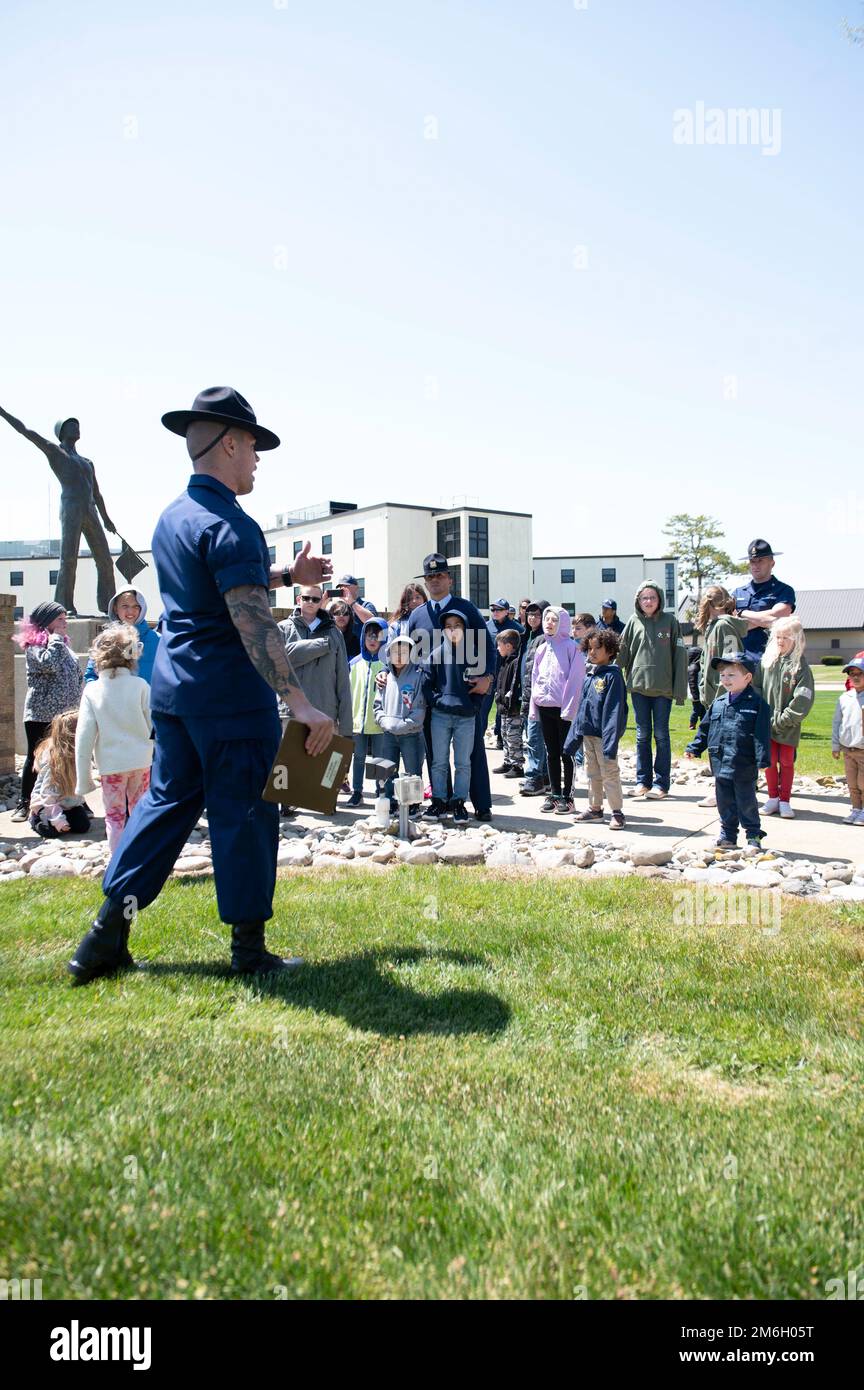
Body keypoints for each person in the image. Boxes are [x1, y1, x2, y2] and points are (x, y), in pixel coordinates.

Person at [68, 387, 335, 985]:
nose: (258, 459)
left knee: (165, 808)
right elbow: (252, 622)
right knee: (245, 815)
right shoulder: (236, 525)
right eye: (254, 448)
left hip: (175, 696)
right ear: (231, 443)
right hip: (233, 701)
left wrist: (287, 574)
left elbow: (214, 583)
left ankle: (103, 937)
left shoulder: (173, 517)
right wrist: (301, 702)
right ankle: (248, 952)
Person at [0, 404, 117, 613]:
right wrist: (3, 412)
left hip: (91, 510)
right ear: (62, 431)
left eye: (77, 424)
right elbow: (25, 430)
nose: (76, 427)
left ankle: (108, 604)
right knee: (69, 558)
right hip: (71, 507)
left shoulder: (87, 462)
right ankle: (64, 605)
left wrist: (107, 519)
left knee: (105, 559)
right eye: (71, 425)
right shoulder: (55, 452)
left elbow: (97, 493)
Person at [407, 554, 495, 821]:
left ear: (450, 579)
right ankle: (441, 801)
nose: (435, 581)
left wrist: (488, 678)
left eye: (440, 576)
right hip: (431, 697)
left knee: (471, 752)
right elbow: (410, 656)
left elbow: (488, 646)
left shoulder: (466, 609)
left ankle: (480, 803)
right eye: (430, 577)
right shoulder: (417, 616)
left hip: (466, 695)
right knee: (436, 753)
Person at [75, 624, 154, 857]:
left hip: (111, 766)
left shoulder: (93, 690)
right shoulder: (141, 686)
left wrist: (83, 780)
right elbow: (155, 726)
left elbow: (84, 736)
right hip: (142, 762)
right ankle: (142, 857)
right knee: (140, 810)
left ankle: (118, 862)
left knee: (115, 816)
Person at [685, 653, 771, 850]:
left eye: (731, 675)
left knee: (746, 800)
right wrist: (694, 747)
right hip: (720, 761)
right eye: (723, 675)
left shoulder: (757, 704)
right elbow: (705, 729)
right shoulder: (719, 703)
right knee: (724, 801)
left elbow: (762, 735)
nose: (725, 679)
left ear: (747, 678)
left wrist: (763, 760)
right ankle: (728, 834)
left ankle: (753, 835)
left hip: (744, 762)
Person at [12, 601, 84, 821]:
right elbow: (48, 664)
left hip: (65, 715)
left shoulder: (63, 644)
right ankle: (25, 803)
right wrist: (55, 640)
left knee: (68, 757)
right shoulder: (36, 646)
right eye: (60, 619)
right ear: (46, 622)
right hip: (41, 714)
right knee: (36, 758)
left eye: (65, 618)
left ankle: (71, 800)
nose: (65, 623)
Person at [618, 581, 687, 801]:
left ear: (660, 600)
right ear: (638, 601)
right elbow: (623, 651)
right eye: (644, 598)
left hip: (663, 689)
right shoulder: (632, 621)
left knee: (661, 735)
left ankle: (661, 784)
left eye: (652, 597)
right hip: (639, 687)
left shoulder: (670, 621)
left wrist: (678, 690)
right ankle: (642, 782)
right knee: (642, 735)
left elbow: (679, 656)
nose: (648, 601)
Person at [692, 585, 751, 809]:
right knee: (718, 745)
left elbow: (730, 664)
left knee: (722, 747)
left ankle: (724, 793)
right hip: (712, 696)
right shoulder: (713, 626)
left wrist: (721, 696)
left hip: (723, 697)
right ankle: (722, 790)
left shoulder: (725, 625)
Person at [566, 627, 628, 828]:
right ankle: (595, 809)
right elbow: (582, 707)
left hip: (604, 736)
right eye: (589, 648)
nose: (592, 652)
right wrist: (574, 734)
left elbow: (614, 711)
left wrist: (610, 741)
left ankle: (617, 811)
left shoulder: (613, 677)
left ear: (610, 651)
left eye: (597, 648)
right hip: (588, 734)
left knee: (609, 772)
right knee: (592, 773)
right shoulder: (589, 676)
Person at [421, 610, 479, 826]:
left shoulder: (474, 654)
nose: (453, 629)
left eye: (457, 624)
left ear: (464, 628)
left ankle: (459, 803)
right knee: (439, 761)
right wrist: (438, 701)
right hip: (440, 716)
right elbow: (427, 686)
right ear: (443, 630)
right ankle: (439, 801)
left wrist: (474, 706)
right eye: (448, 625)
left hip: (466, 717)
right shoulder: (435, 655)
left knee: (463, 763)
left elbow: (482, 686)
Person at [530, 606, 585, 815]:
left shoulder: (573, 648)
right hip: (545, 707)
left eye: (554, 620)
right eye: (547, 619)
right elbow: (535, 678)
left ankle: (568, 797)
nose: (549, 623)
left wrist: (569, 709)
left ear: (562, 623)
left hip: (564, 710)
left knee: (566, 752)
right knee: (551, 752)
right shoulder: (542, 649)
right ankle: (554, 793)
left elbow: (576, 680)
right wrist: (534, 708)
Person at [276, 586, 353, 736]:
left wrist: (346, 729)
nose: (310, 602)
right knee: (289, 761)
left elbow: (343, 681)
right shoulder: (282, 629)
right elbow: (278, 663)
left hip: (325, 715)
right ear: (298, 599)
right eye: (306, 598)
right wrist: (321, 645)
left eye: (315, 599)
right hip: (291, 715)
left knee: (322, 761)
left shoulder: (334, 633)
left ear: (321, 602)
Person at [759, 617, 815, 819]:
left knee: (786, 761)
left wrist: (783, 719)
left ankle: (785, 800)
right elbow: (757, 687)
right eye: (778, 637)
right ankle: (772, 797)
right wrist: (762, 714)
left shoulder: (800, 667)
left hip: (788, 725)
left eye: (786, 637)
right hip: (766, 723)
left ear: (797, 639)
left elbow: (803, 697)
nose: (781, 641)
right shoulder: (767, 662)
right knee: (770, 760)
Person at [373, 634, 426, 812]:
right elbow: (377, 705)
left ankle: (413, 804)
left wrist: (406, 724)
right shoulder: (385, 677)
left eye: (404, 652)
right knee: (387, 770)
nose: (399, 656)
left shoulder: (418, 677)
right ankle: (389, 801)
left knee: (413, 769)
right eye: (395, 651)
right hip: (388, 733)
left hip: (411, 733)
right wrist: (384, 722)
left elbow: (420, 708)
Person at [29, 709, 91, 838]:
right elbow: (47, 795)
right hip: (45, 804)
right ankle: (35, 818)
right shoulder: (54, 761)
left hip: (68, 804)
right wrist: (58, 820)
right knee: (52, 832)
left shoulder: (76, 755)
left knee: (83, 826)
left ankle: (62, 816)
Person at [732, 539, 796, 662]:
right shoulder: (738, 593)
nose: (756, 565)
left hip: (771, 659)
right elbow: (731, 625)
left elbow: (778, 620)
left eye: (760, 561)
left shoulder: (783, 590)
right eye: (752, 561)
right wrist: (766, 618)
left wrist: (742, 613)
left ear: (772, 563)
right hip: (740, 662)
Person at [347, 617, 388, 807]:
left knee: (379, 757)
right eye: (369, 635)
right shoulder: (354, 663)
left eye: (378, 636)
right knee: (359, 757)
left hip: (379, 722)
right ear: (363, 637)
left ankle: (381, 789)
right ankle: (357, 791)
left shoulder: (388, 666)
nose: (373, 640)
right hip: (357, 721)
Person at [84, 589, 160, 685]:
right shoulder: (105, 640)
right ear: (115, 608)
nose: (130, 611)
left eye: (136, 606)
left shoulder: (159, 640)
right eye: (125, 606)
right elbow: (91, 676)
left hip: (147, 699)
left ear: (142, 609)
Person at [519, 601, 550, 796]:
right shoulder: (526, 637)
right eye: (530, 614)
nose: (533, 618)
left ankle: (535, 776)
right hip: (526, 694)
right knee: (534, 737)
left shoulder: (544, 638)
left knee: (534, 738)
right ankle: (545, 776)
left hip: (538, 696)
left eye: (537, 615)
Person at [831, 657, 864, 825]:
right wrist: (835, 746)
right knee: (852, 782)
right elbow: (837, 723)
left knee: (862, 782)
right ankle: (856, 809)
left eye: (860, 674)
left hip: (862, 749)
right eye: (852, 674)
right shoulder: (844, 698)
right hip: (847, 749)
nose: (856, 677)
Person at [487, 598, 523, 749]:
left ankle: (502, 739)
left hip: (507, 672)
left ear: (507, 612)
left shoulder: (517, 628)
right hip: (489, 672)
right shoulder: (486, 626)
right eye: (493, 610)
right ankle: (479, 735)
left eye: (499, 610)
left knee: (503, 705)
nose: (495, 612)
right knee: (484, 706)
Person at [493, 630, 524, 777]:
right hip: (503, 707)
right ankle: (508, 762)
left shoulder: (515, 662)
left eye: (499, 645)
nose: (497, 649)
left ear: (509, 646)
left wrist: (509, 700)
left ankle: (517, 765)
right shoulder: (504, 662)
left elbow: (514, 685)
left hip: (512, 708)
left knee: (513, 737)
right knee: (505, 735)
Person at [336, 575, 378, 643]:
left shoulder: (366, 605)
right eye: (340, 587)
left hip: (361, 649)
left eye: (346, 586)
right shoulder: (338, 607)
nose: (342, 589)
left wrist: (352, 603)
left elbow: (373, 622)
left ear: (356, 587)